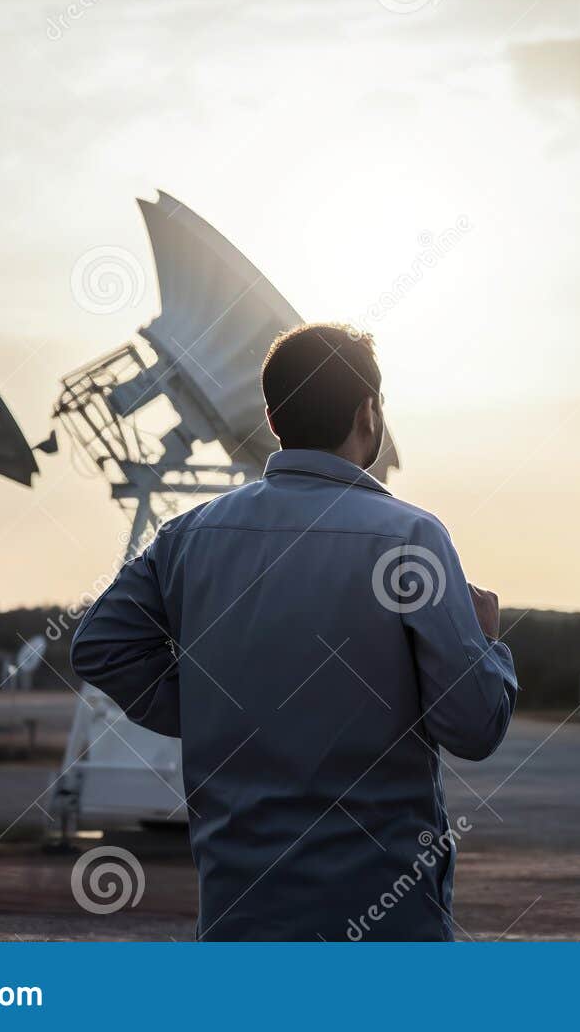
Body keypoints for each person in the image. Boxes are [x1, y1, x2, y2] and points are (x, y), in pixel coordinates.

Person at [71, 323, 517, 940]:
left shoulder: (188, 538)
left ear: (273, 416)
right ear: (369, 412)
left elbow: (100, 647)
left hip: (240, 911)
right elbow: (472, 726)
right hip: (386, 915)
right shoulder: (411, 539)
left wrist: (212, 706)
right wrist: (487, 644)